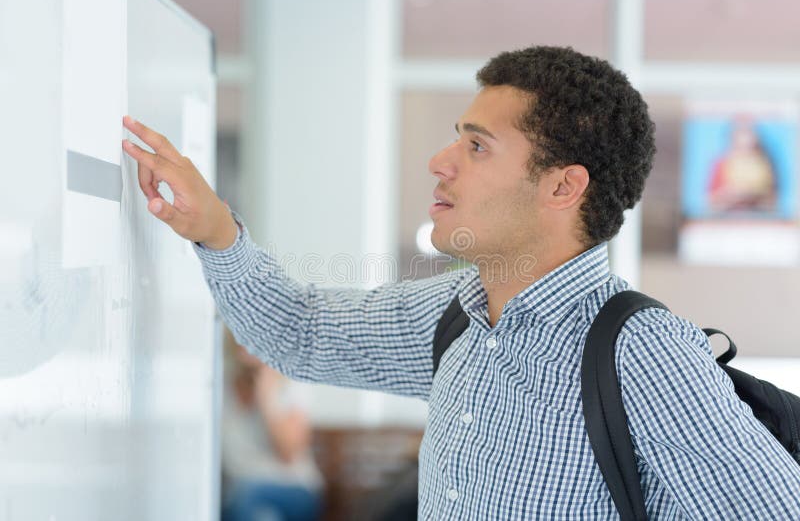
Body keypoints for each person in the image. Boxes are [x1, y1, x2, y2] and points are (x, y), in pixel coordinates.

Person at [122, 46, 800, 519]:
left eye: (476, 146)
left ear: (562, 187)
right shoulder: (454, 315)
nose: (440, 161)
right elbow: (299, 332)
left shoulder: (642, 352)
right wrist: (216, 231)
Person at [221, 332, 323, 521]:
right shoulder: (220, 388)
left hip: (292, 488)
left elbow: (288, 454)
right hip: (239, 492)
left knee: (250, 497)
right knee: (263, 514)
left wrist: (266, 396)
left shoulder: (292, 383)